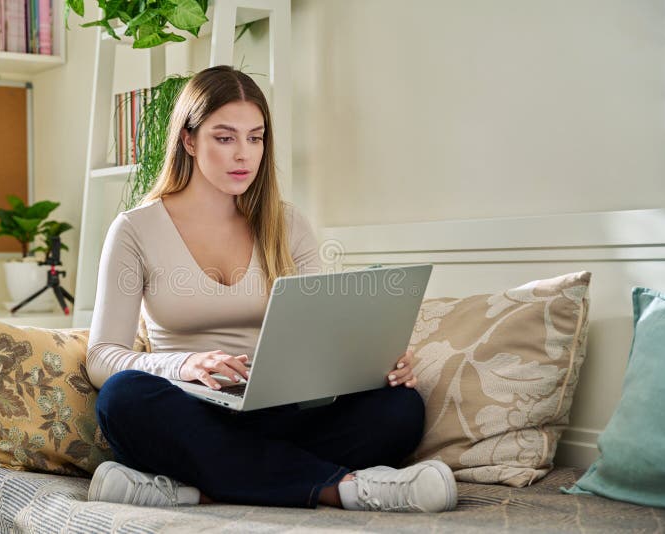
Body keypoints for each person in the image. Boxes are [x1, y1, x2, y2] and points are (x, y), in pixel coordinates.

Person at [86, 65, 457, 513]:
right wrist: (183, 364)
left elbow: (325, 336)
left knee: (400, 408)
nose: (243, 154)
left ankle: (196, 489)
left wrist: (377, 363)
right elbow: (103, 357)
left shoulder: (289, 225)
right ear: (188, 140)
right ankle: (338, 488)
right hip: (190, 411)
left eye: (255, 138)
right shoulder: (135, 229)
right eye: (224, 138)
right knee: (123, 398)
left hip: (281, 413)